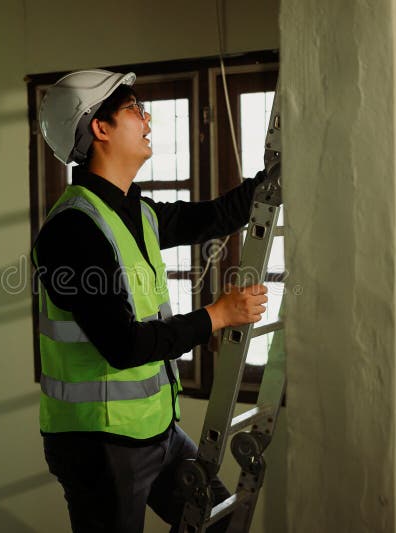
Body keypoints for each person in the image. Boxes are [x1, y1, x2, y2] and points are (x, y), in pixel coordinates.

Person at [33, 69, 268, 533]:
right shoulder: (74, 230)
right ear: (100, 128)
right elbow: (124, 346)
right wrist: (217, 316)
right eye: (134, 110)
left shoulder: (136, 212)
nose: (147, 119)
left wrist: (276, 178)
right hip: (98, 444)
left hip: (156, 431)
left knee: (219, 523)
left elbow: (215, 216)